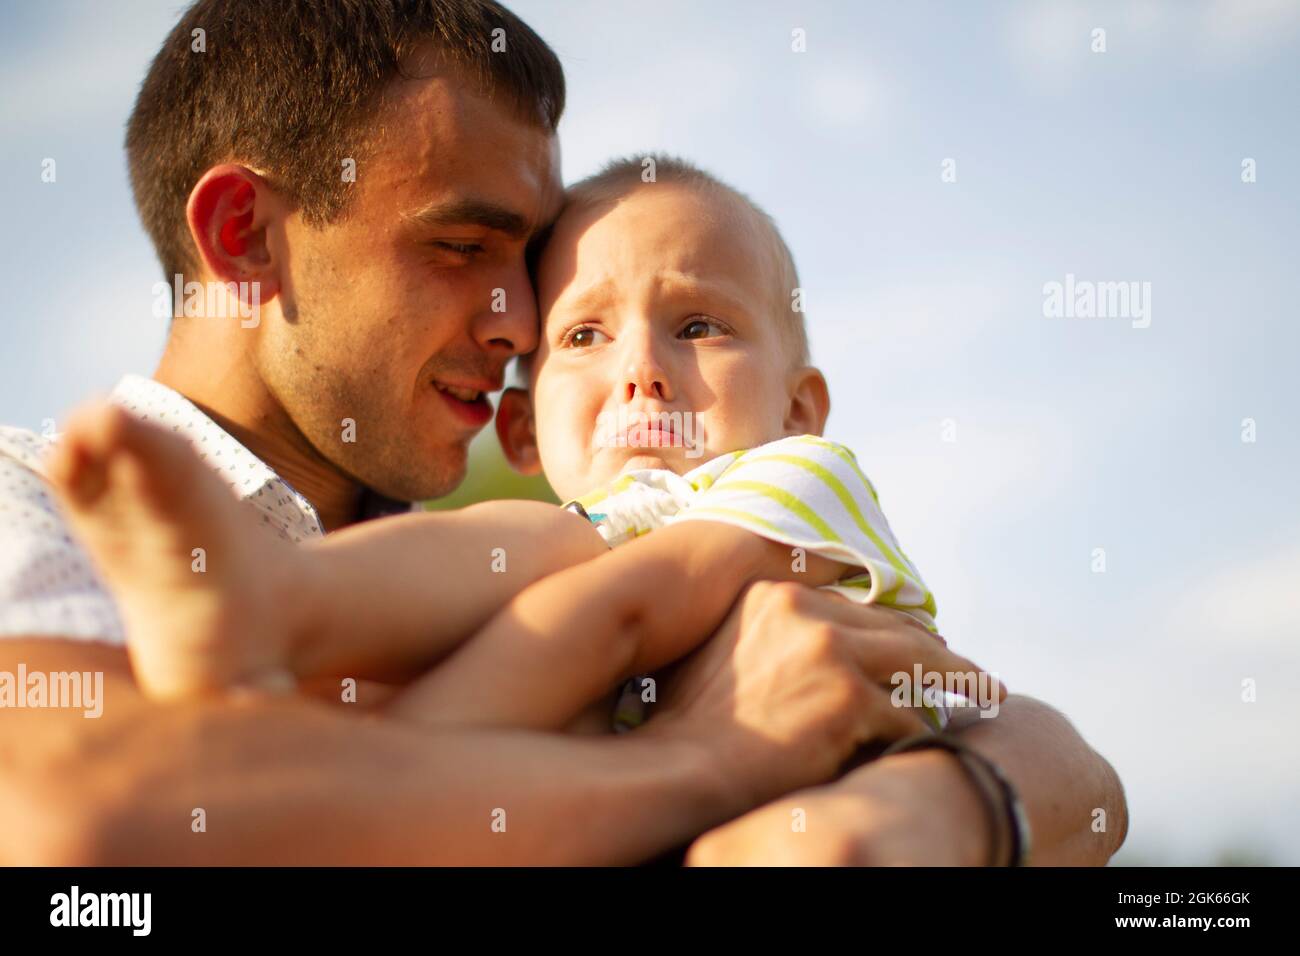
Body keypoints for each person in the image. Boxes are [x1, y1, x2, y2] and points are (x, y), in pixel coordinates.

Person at [0, 0, 1126, 865]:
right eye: (460, 246)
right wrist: (712, 756)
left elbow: (1067, 770)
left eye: (526, 263)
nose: (519, 322)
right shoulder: (27, 500)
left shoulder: (478, 555)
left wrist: (959, 796)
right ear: (245, 234)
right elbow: (86, 816)